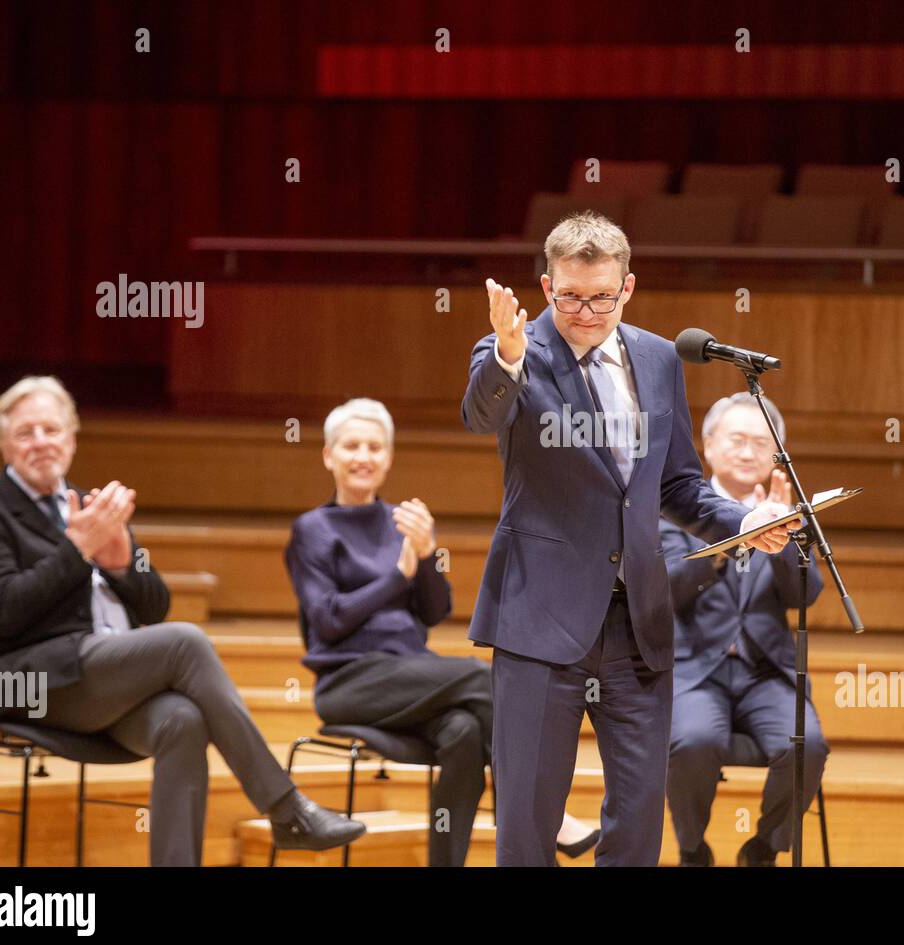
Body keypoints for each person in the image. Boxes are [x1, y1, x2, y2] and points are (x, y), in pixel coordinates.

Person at [462, 211, 799, 866]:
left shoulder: (655, 356)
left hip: (637, 626)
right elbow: (482, 412)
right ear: (546, 285)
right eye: (569, 296)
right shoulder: (513, 349)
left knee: (638, 829)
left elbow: (678, 485)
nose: (585, 312)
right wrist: (506, 350)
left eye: (601, 297)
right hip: (540, 621)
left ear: (628, 287)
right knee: (527, 828)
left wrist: (744, 521)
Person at [0, 376, 365, 866]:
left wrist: (124, 563)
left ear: (72, 437)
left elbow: (154, 607)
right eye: (24, 433)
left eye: (51, 429)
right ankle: (286, 807)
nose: (40, 442)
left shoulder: (93, 505)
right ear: (2, 442)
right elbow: (2, 612)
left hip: (101, 683)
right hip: (32, 685)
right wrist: (76, 551)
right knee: (185, 643)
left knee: (181, 720)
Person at [285, 398, 598, 865]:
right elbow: (327, 621)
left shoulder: (403, 523)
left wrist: (428, 555)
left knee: (464, 729)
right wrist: (398, 575)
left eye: (375, 447)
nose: (363, 457)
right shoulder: (312, 529)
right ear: (329, 455)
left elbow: (435, 613)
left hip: (410, 676)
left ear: (388, 458)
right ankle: (548, 817)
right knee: (479, 675)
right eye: (351, 446)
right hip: (348, 681)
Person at [660, 392, 829, 866]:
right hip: (696, 670)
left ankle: (765, 848)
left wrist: (782, 534)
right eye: (737, 439)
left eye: (761, 443)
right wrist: (729, 538)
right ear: (708, 446)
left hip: (765, 672)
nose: (749, 451)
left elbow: (806, 596)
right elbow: (667, 588)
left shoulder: (789, 514)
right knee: (694, 741)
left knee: (808, 745)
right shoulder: (678, 507)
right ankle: (693, 847)